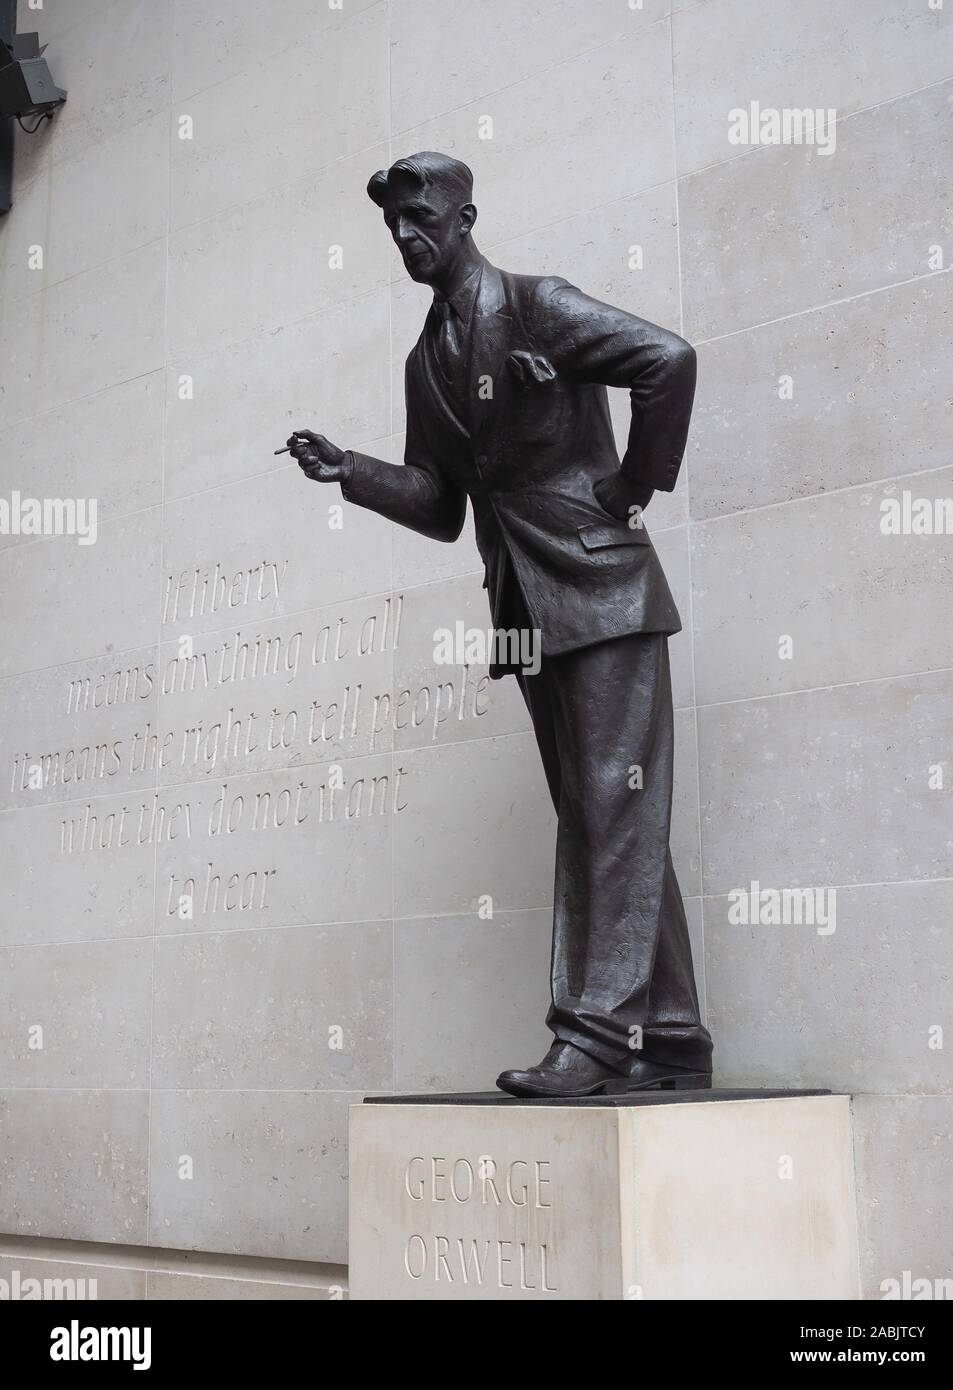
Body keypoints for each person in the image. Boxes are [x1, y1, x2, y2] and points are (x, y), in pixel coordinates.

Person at [287, 152, 712, 1097]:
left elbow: (666, 360)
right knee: (602, 811)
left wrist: (633, 484)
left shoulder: (538, 305)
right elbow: (441, 505)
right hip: (522, 610)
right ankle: (671, 1036)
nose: (405, 237)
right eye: (392, 226)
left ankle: (596, 1035)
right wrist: (350, 469)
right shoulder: (422, 361)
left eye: (419, 218)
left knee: (609, 808)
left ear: (466, 216)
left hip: (600, 592)